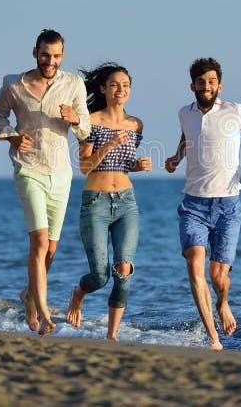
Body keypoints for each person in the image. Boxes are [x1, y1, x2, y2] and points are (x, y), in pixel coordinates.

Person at [165, 57, 241, 350]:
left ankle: (223, 303)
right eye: (201, 82)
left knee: (218, 277)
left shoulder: (235, 111)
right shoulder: (184, 113)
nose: (206, 86)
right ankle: (213, 339)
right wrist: (177, 157)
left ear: (219, 86)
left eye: (211, 81)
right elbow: (188, 136)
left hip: (228, 205)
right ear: (192, 86)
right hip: (193, 206)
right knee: (195, 266)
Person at [0, 29, 91, 335]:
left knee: (51, 249)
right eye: (45, 55)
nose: (50, 61)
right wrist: (11, 136)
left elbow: (86, 129)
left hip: (61, 173)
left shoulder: (73, 83)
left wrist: (75, 118)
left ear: (63, 56)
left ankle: (28, 294)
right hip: (28, 169)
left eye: (56, 56)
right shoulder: (14, 84)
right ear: (35, 52)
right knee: (38, 242)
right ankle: (43, 312)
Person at [66, 63, 151, 341]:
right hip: (96, 203)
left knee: (124, 270)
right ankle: (79, 292)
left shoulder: (136, 124)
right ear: (103, 89)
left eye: (125, 85)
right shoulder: (90, 121)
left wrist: (137, 166)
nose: (120, 89)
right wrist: (108, 145)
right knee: (100, 277)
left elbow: (121, 164)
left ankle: (111, 335)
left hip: (127, 203)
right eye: (114, 85)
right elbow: (84, 167)